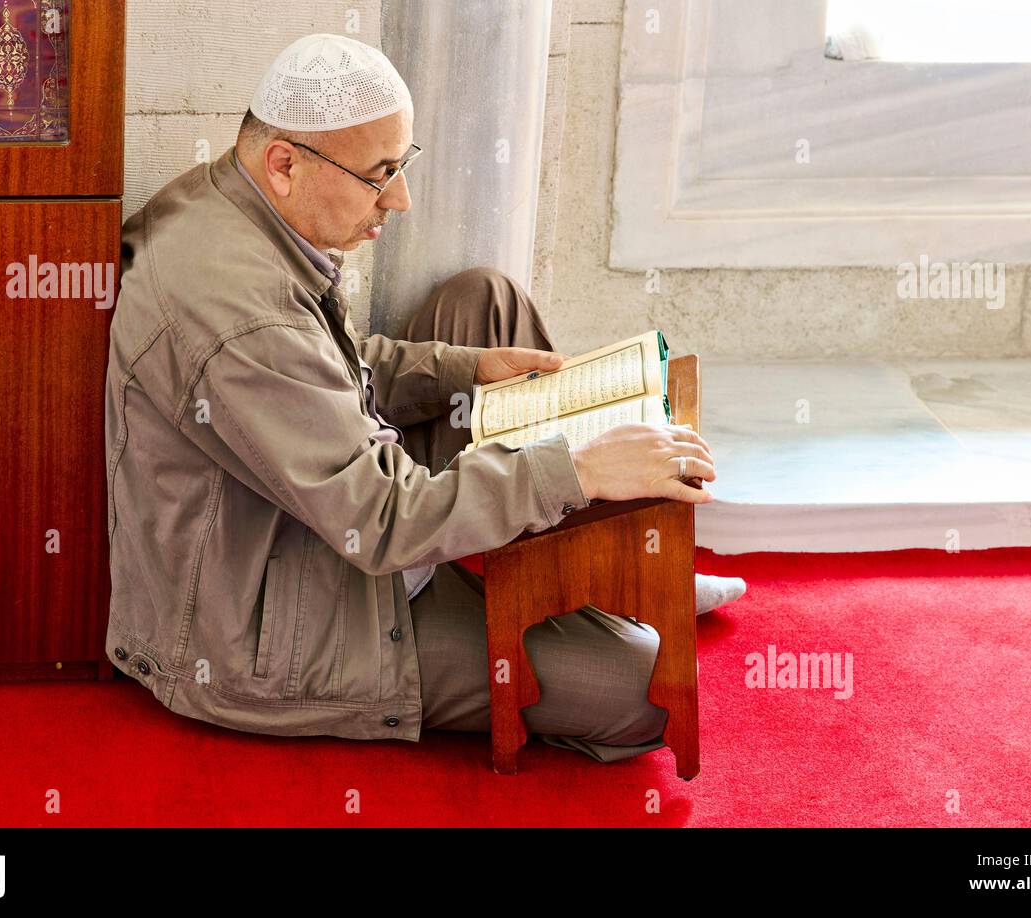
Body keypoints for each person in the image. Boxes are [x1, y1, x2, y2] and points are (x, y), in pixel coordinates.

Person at [103, 32, 744, 765]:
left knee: (486, 302)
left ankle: (611, 568)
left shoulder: (234, 198)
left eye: (400, 164)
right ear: (284, 163)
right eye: (380, 174)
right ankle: (607, 583)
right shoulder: (242, 315)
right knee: (642, 688)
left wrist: (463, 368)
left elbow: (324, 374)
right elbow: (378, 521)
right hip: (282, 619)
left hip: (321, 507)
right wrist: (579, 471)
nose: (400, 199)